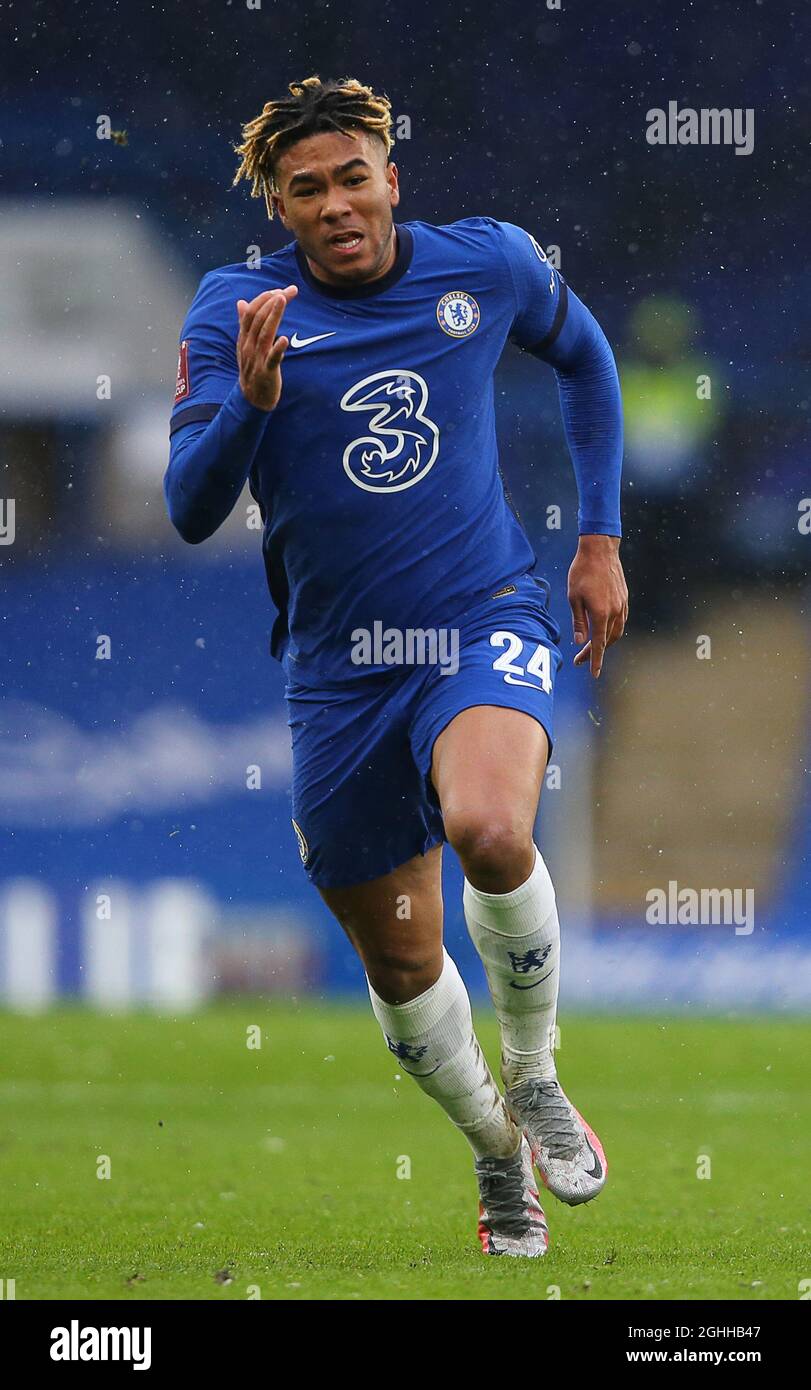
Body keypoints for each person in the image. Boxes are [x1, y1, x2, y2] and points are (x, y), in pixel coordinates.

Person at [164, 75, 627, 1258]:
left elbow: (587, 359)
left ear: (391, 176)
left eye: (352, 177)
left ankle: (534, 1077)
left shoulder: (487, 265)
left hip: (480, 616)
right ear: (278, 202)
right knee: (407, 961)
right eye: (305, 189)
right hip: (338, 671)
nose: (335, 205)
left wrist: (597, 535)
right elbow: (188, 504)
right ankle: (491, 1149)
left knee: (488, 826)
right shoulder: (235, 310)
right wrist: (251, 407)